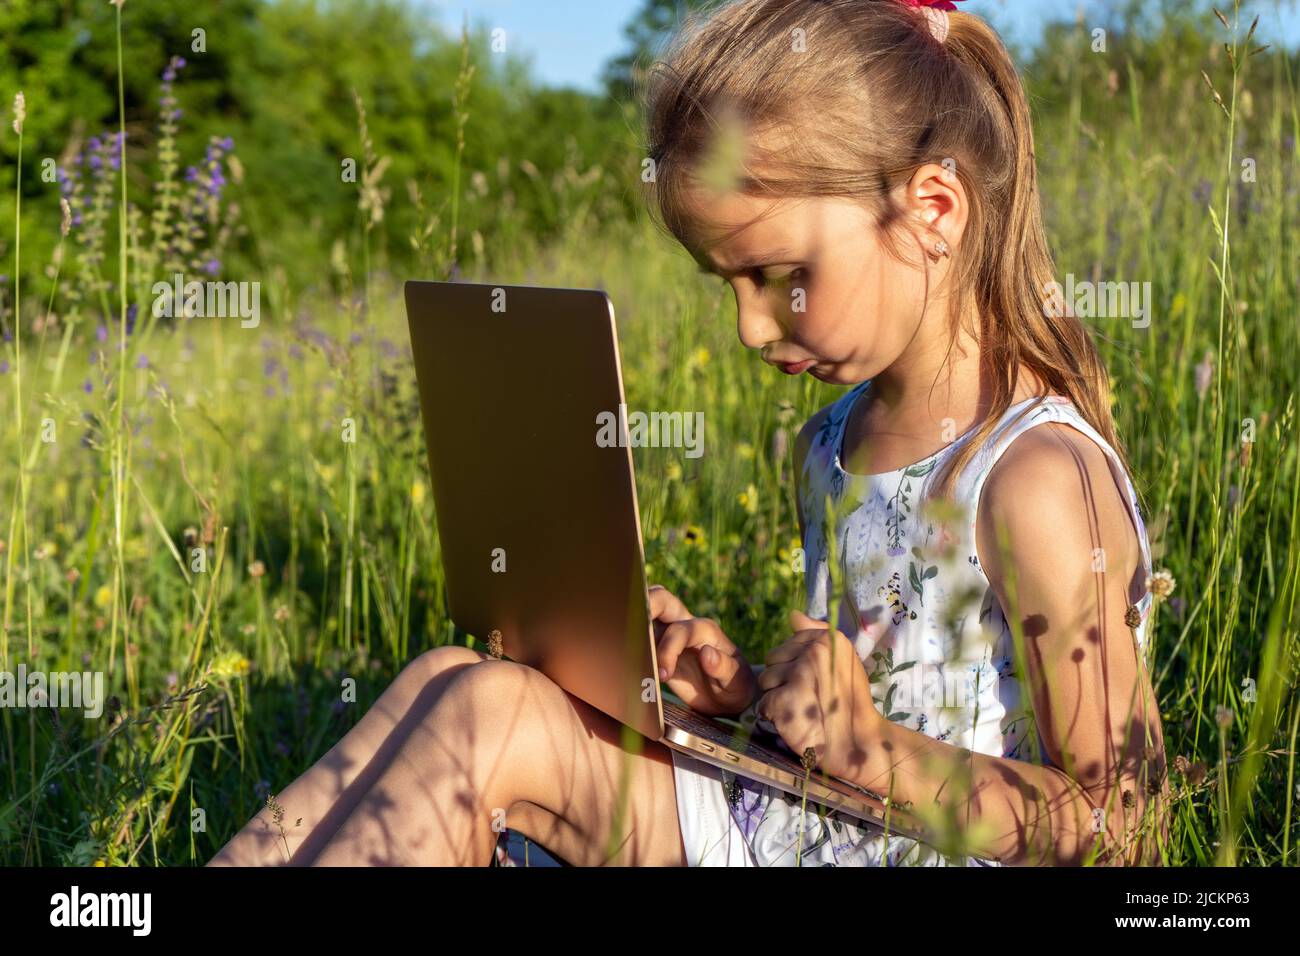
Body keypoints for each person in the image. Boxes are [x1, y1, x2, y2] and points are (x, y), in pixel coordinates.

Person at [209, 0, 1169, 867]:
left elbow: (1127, 823)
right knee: (451, 678)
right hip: (808, 821)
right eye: (728, 284)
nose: (750, 326)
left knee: (486, 715)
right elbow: (884, 696)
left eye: (776, 273)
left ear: (932, 210)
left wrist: (873, 750)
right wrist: (746, 696)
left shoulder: (1035, 476)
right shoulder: (834, 439)